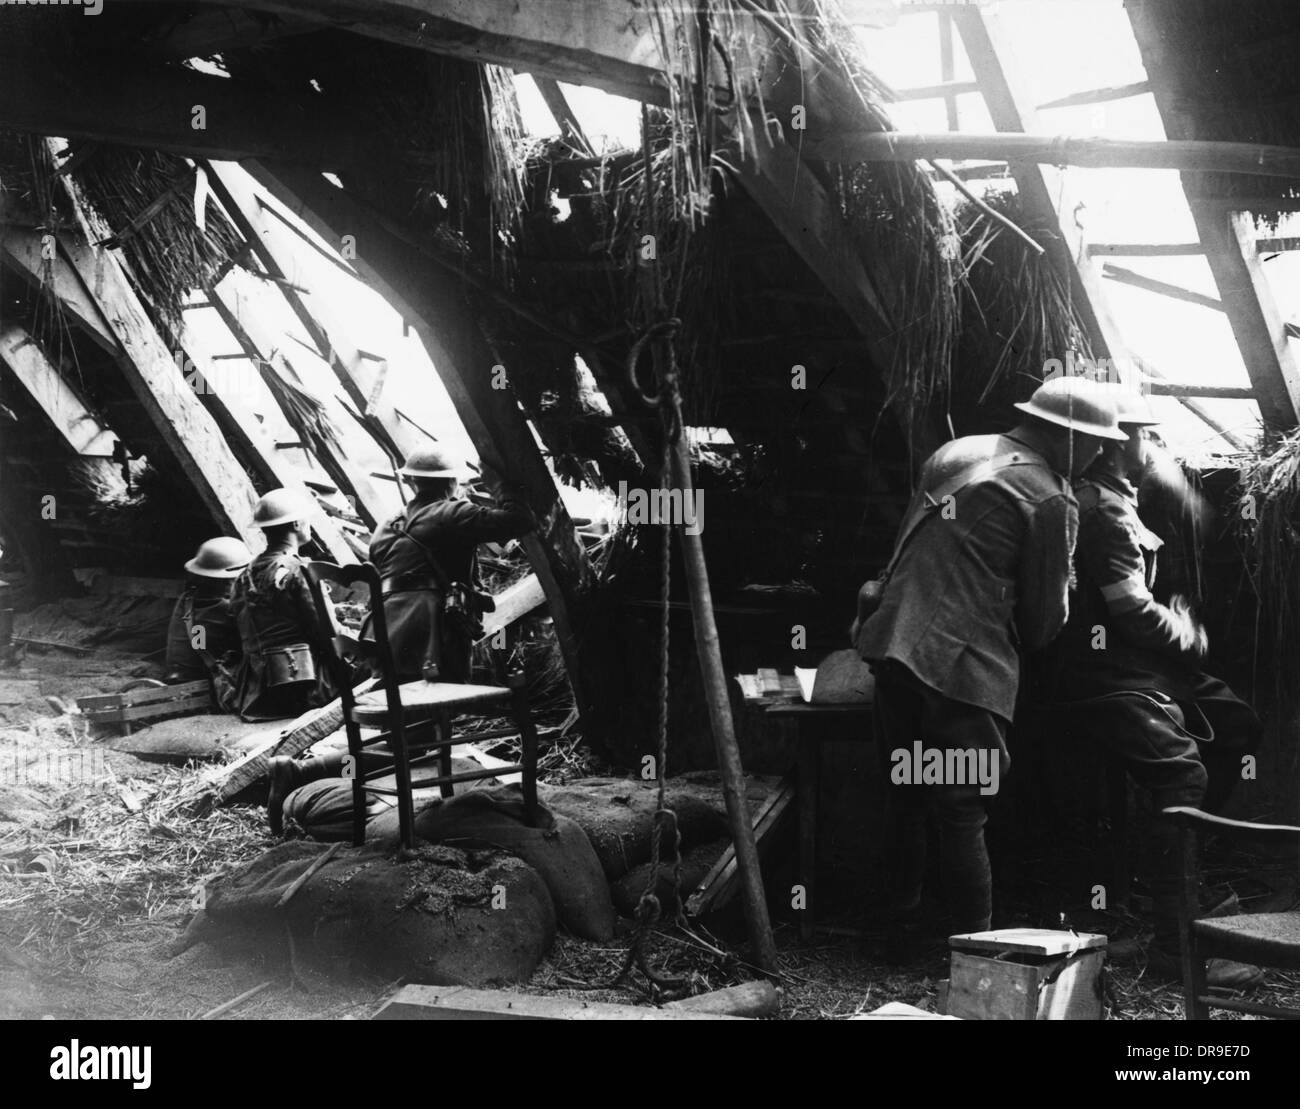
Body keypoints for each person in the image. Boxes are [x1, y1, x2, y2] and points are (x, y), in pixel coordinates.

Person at [855, 375, 1126, 948]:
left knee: (906, 793)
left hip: (893, 649)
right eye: (1100, 441)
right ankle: (974, 950)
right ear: (1069, 438)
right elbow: (1043, 623)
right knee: (963, 809)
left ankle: (895, 926)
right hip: (961, 666)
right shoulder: (1051, 497)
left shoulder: (956, 452)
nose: (1105, 451)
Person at [1043, 387, 1263, 988]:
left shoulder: (1118, 497)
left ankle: (1184, 872)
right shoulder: (1103, 510)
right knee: (1180, 775)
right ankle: (1174, 941)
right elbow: (1130, 612)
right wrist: (1186, 633)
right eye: (1147, 434)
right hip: (1103, 675)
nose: (1156, 445)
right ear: (1120, 444)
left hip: (1136, 667)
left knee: (1237, 726)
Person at [364, 444, 534, 682]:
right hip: (433, 633)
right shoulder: (454, 513)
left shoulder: (386, 525)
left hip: (384, 635)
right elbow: (521, 520)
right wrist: (499, 484)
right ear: (453, 481)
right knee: (444, 696)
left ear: (412, 481)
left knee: (410, 706)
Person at [229, 489, 336, 722]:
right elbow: (329, 633)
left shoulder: (243, 575)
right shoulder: (298, 570)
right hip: (306, 687)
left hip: (257, 691)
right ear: (297, 523)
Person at [164, 537, 250, 710]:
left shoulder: (187, 600)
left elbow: (199, 640)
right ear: (230, 579)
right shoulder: (228, 609)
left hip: (184, 678)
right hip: (208, 688)